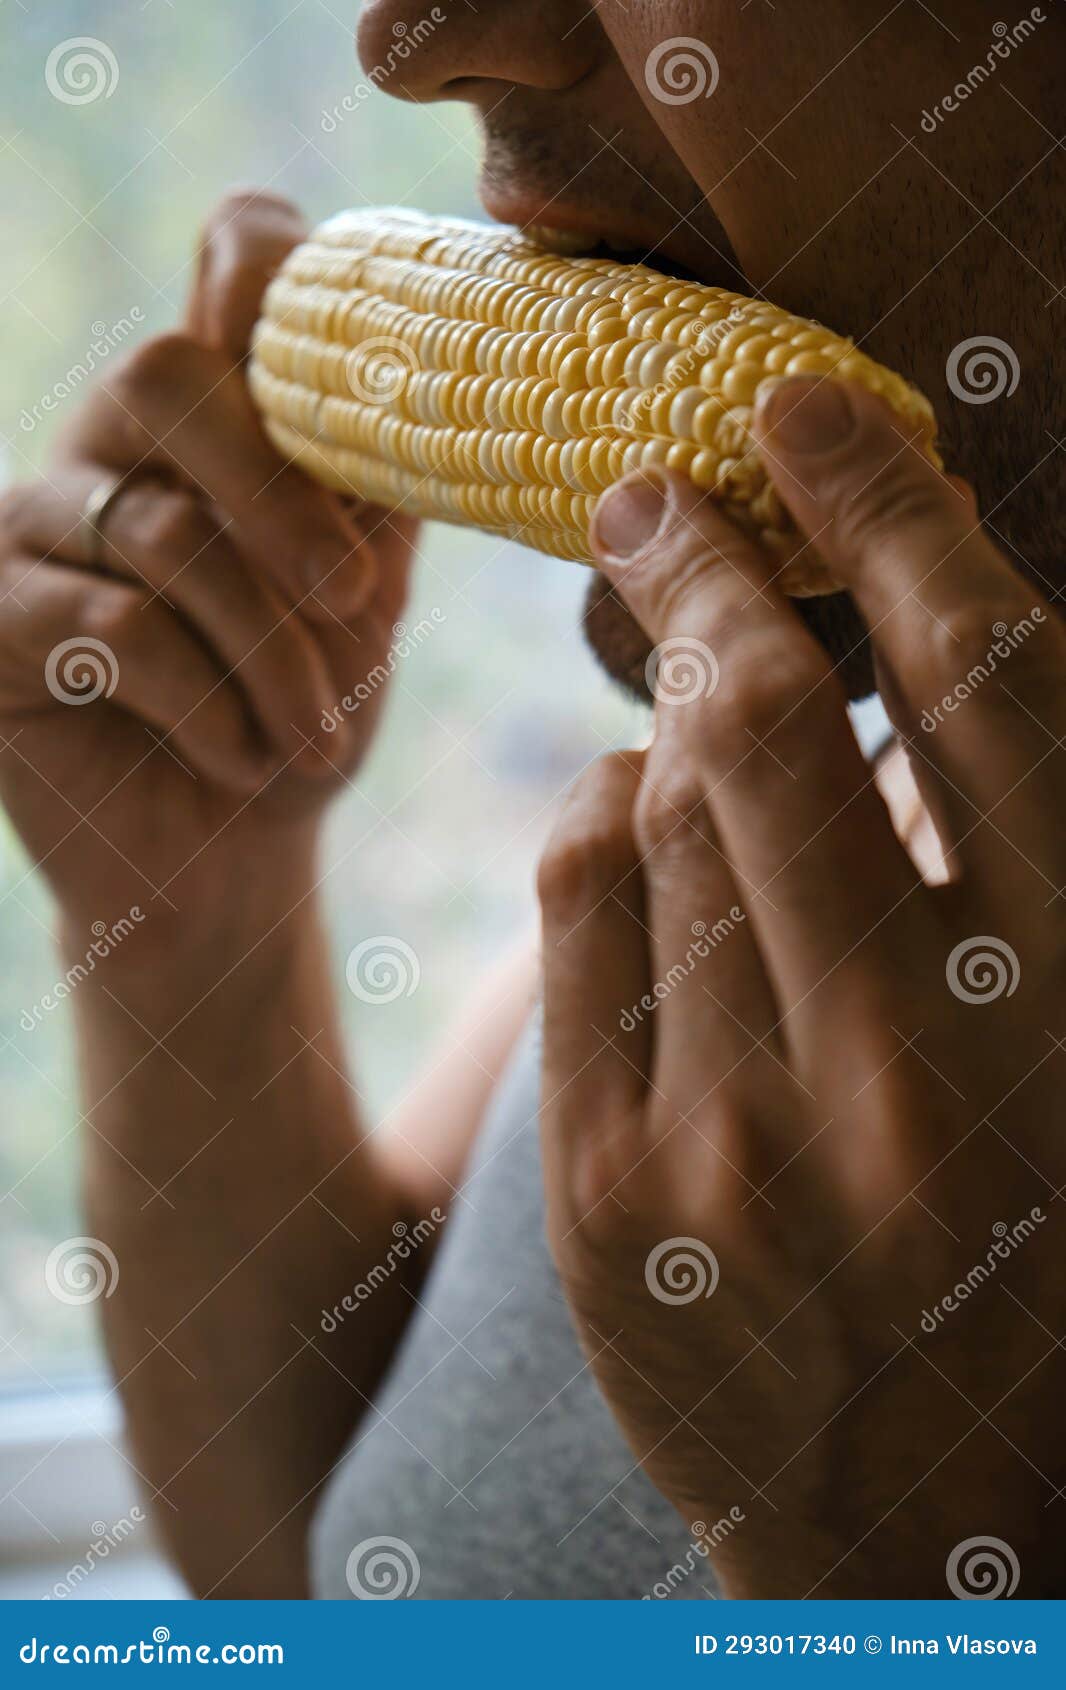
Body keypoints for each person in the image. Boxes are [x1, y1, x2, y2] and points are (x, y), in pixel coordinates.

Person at [1, 0, 1062, 1599]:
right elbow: (345, 1567)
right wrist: (193, 921)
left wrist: (907, 1578)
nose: (412, 42)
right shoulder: (817, 785)